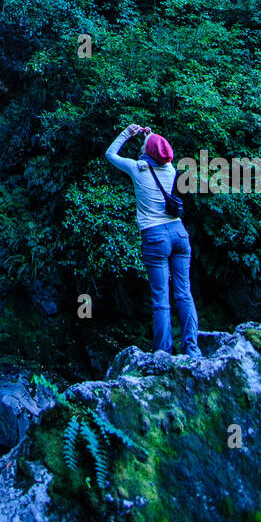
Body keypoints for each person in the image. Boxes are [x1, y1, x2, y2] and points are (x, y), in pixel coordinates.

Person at [105, 122, 201, 358]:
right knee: (184, 293)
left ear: (146, 153)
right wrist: (150, 137)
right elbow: (162, 153)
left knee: (161, 298)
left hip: (155, 236)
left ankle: (163, 353)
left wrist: (128, 133)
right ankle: (192, 349)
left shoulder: (138, 169)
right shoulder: (171, 170)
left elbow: (110, 154)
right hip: (179, 234)